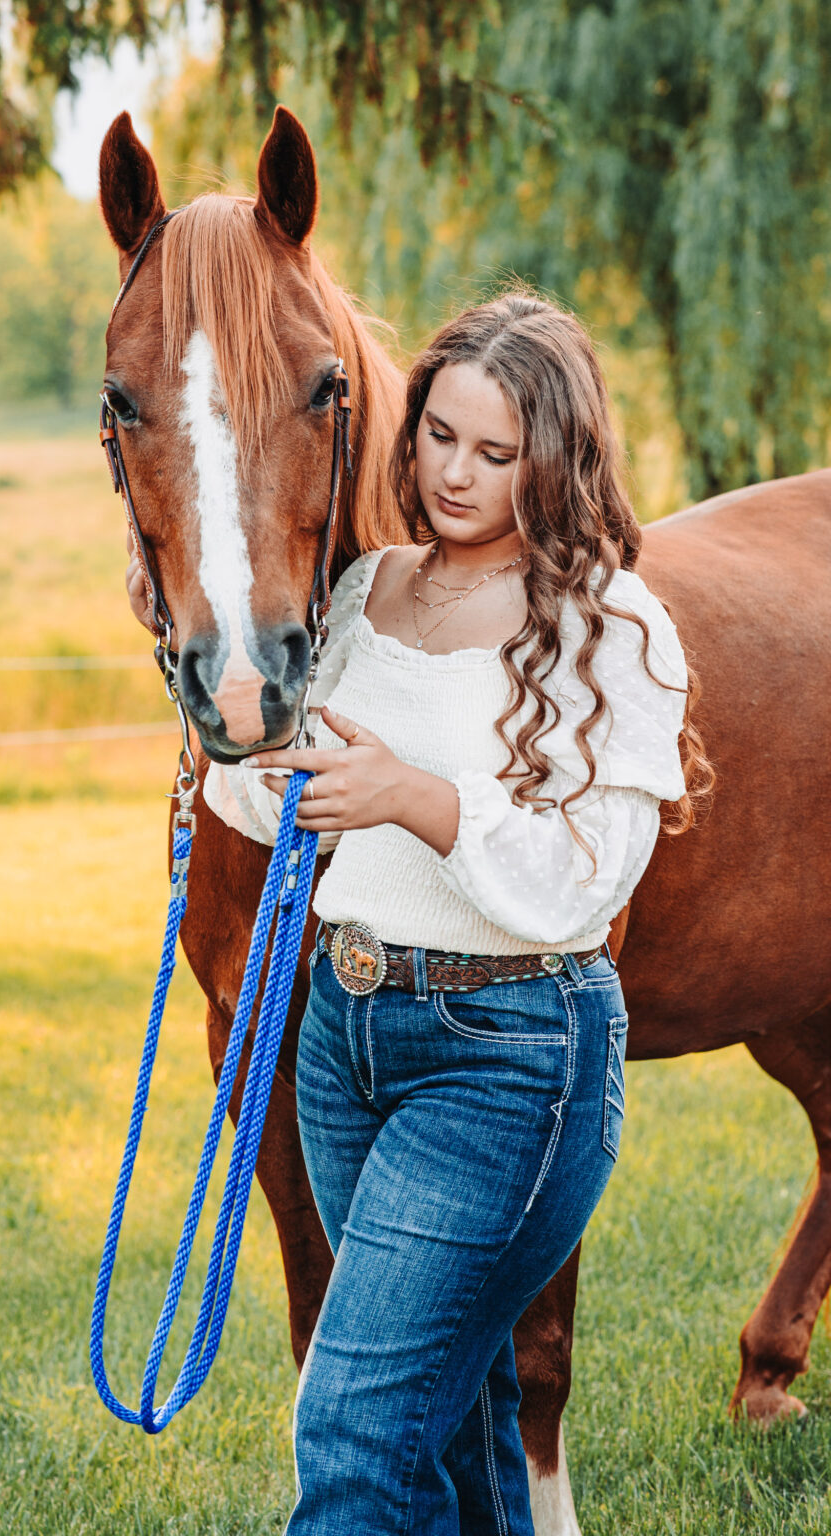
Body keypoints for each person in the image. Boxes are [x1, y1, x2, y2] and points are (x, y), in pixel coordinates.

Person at [126, 293, 708, 1534]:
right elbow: (259, 796)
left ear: (555, 461)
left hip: (509, 1056)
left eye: (496, 453)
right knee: (454, 1417)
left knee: (353, 1425)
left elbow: (587, 882)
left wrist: (414, 798)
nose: (455, 474)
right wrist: (214, 691)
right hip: (348, 1041)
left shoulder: (610, 627)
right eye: (440, 436)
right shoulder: (371, 590)